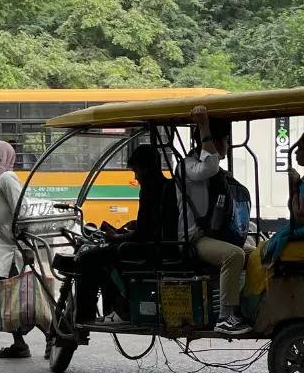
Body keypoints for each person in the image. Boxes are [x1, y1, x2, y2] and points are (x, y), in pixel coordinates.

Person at [241, 130, 304, 320]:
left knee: (259, 256)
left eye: (300, 150)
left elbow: (301, 216)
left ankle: (254, 312)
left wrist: (294, 187)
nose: (296, 153)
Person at [177, 106, 249, 335]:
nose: (228, 146)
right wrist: (203, 125)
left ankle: (247, 306)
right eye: (226, 141)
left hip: (212, 236)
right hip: (193, 239)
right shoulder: (188, 166)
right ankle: (226, 317)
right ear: (216, 143)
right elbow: (208, 166)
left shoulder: (216, 172)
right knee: (234, 254)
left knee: (254, 252)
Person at [0, 140, 48, 359]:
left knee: (20, 302)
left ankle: (52, 335)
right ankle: (19, 344)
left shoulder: (7, 178)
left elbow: (21, 212)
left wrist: (25, 245)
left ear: (3, 155)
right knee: (7, 302)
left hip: (10, 253)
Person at [75, 144, 164, 324]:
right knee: (104, 256)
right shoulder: (165, 185)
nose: (136, 177)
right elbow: (152, 224)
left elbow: (144, 235)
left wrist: (118, 237)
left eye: (136, 171)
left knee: (88, 259)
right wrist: (134, 225)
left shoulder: (149, 190)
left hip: (150, 249)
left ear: (146, 168)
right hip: (157, 244)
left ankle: (92, 315)